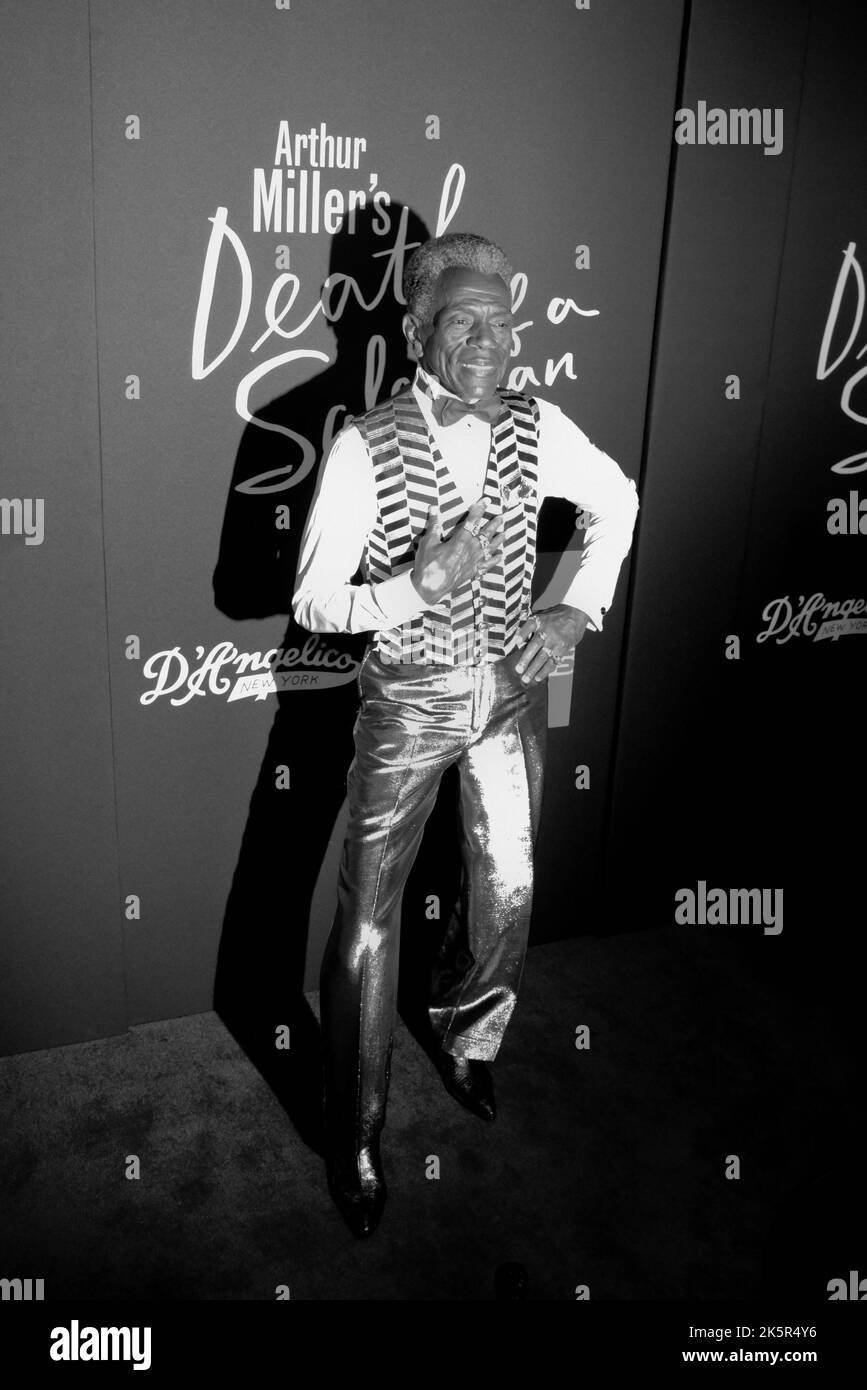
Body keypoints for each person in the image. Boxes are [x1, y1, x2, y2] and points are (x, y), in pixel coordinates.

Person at [292, 231, 639, 1237]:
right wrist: (412, 586)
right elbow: (314, 598)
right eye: (464, 322)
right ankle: (353, 1132)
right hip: (405, 702)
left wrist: (576, 610)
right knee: (368, 916)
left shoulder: (540, 425)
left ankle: (463, 1030)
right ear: (416, 330)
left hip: (508, 693)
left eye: (503, 320)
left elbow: (614, 501)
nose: (490, 342)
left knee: (513, 883)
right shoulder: (364, 444)